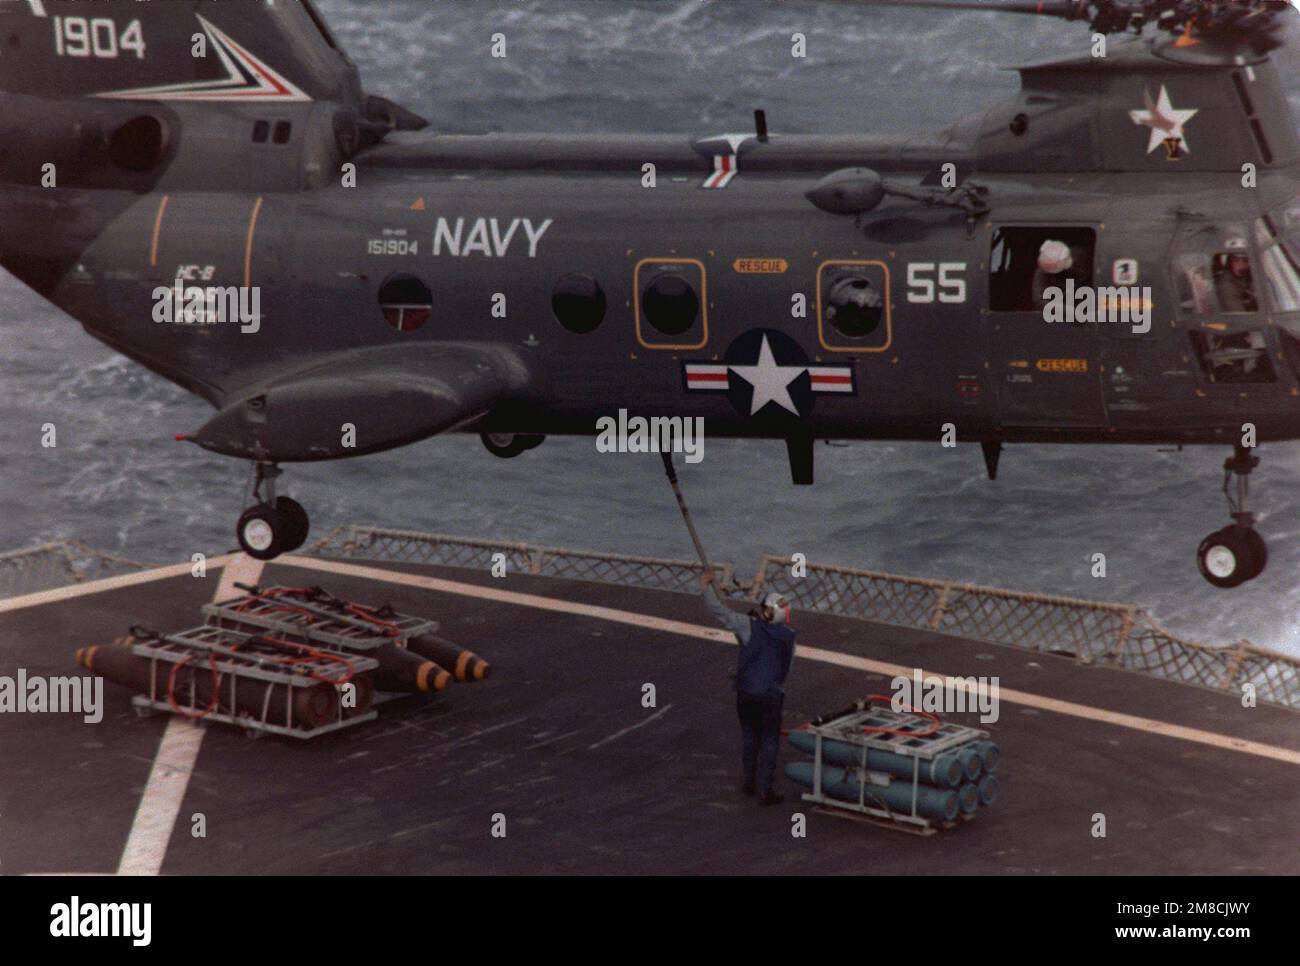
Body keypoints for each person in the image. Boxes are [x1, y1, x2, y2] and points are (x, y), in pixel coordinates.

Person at [700, 570, 796, 805]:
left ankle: (748, 782)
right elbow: (786, 669)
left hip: (746, 693)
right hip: (771, 695)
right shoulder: (789, 636)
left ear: (766, 611)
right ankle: (766, 789)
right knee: (770, 740)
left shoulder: (747, 626)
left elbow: (720, 612)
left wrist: (705, 588)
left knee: (749, 735)